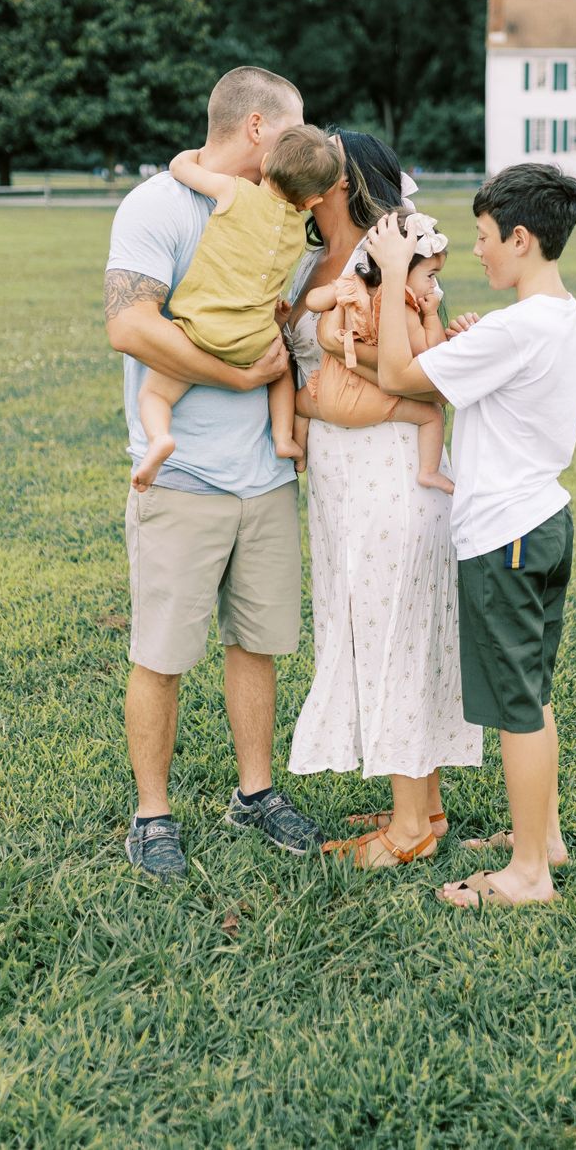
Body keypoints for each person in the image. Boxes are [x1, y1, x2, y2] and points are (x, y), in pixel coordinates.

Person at [104, 65, 325, 880]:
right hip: (185, 476)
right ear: (259, 127)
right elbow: (128, 324)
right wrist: (232, 374)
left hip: (265, 477)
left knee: (256, 644)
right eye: (294, 126)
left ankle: (255, 793)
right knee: (161, 652)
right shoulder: (157, 206)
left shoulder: (284, 213)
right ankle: (152, 814)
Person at [368, 162, 576, 907]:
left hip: (506, 537)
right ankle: (544, 836)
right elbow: (503, 384)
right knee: (532, 690)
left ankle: (528, 874)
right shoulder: (560, 317)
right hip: (544, 523)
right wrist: (475, 341)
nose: (477, 251)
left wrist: (397, 268)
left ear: (522, 238)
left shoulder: (516, 328)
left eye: (486, 237)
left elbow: (400, 371)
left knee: (518, 707)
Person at [284, 130, 482, 869]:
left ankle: (407, 834)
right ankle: (421, 803)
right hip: (341, 480)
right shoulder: (316, 261)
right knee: (376, 627)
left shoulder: (390, 252)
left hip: (392, 469)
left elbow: (427, 374)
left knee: (396, 628)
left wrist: (344, 355)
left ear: (344, 179)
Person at [131, 125, 343, 492]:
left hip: (201, 327)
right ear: (310, 203)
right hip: (253, 337)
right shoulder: (296, 232)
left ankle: (160, 438)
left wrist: (190, 155)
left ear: (264, 164)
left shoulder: (234, 191)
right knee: (279, 369)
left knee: (154, 394)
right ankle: (281, 437)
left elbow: (181, 168)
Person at [295, 209, 453, 495]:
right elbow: (429, 356)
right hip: (368, 401)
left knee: (297, 402)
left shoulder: (353, 285)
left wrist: (336, 294)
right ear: (401, 270)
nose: (434, 284)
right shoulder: (402, 308)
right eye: (430, 275)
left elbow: (313, 300)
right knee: (432, 415)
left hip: (328, 396)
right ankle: (429, 472)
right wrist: (430, 317)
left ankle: (296, 447)